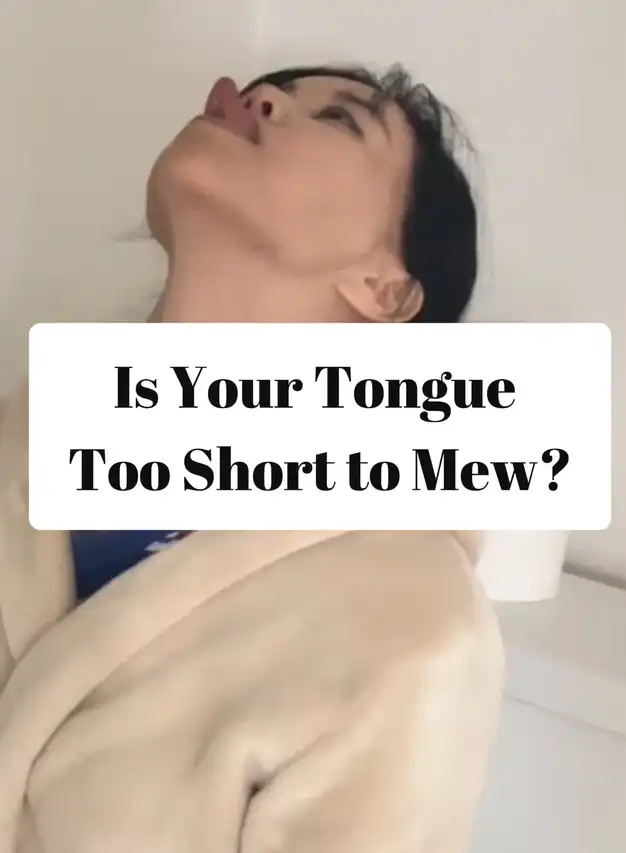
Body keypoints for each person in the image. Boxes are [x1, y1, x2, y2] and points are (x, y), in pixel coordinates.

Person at [0, 64, 503, 853]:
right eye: (274, 89)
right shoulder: (21, 443)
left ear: (387, 291)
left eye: (339, 120)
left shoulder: (415, 628)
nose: (259, 97)